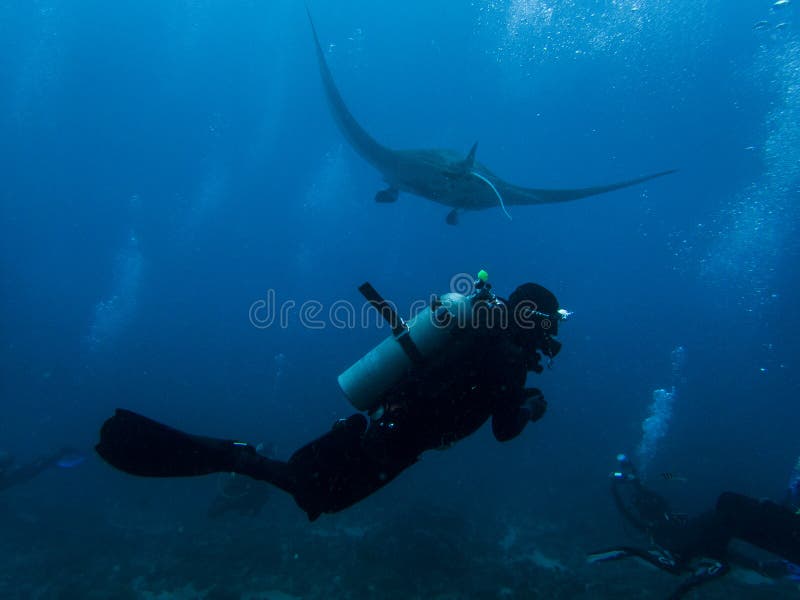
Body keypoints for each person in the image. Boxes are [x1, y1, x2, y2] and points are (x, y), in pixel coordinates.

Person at [95, 273, 564, 521]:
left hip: (395, 422)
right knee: (317, 492)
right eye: (547, 324)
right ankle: (237, 458)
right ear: (533, 318)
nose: (549, 336)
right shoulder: (508, 358)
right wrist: (530, 406)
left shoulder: (484, 333)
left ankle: (243, 459)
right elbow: (504, 430)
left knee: (316, 489)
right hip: (401, 437)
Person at [588, 454, 800, 598]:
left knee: (726, 508)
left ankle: (773, 536)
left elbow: (716, 548)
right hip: (698, 535)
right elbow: (719, 547)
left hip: (694, 538)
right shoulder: (667, 522)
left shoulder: (661, 529)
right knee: (725, 508)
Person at [0, 448, 82, 492]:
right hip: (13, 476)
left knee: (32, 469)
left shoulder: (11, 474)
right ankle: (56, 456)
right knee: (32, 469)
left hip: (13, 476)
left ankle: (57, 455)